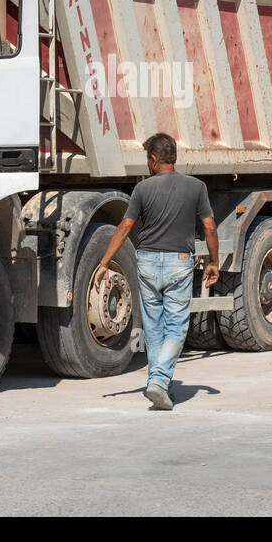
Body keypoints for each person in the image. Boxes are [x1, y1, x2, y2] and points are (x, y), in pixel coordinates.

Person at [93, 133, 218, 410]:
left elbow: (125, 227)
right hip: (179, 261)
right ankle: (159, 382)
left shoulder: (143, 190)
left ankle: (158, 382)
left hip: (148, 261)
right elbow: (209, 227)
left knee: (153, 327)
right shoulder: (196, 187)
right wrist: (213, 261)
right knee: (176, 326)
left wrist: (104, 262)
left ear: (153, 159)